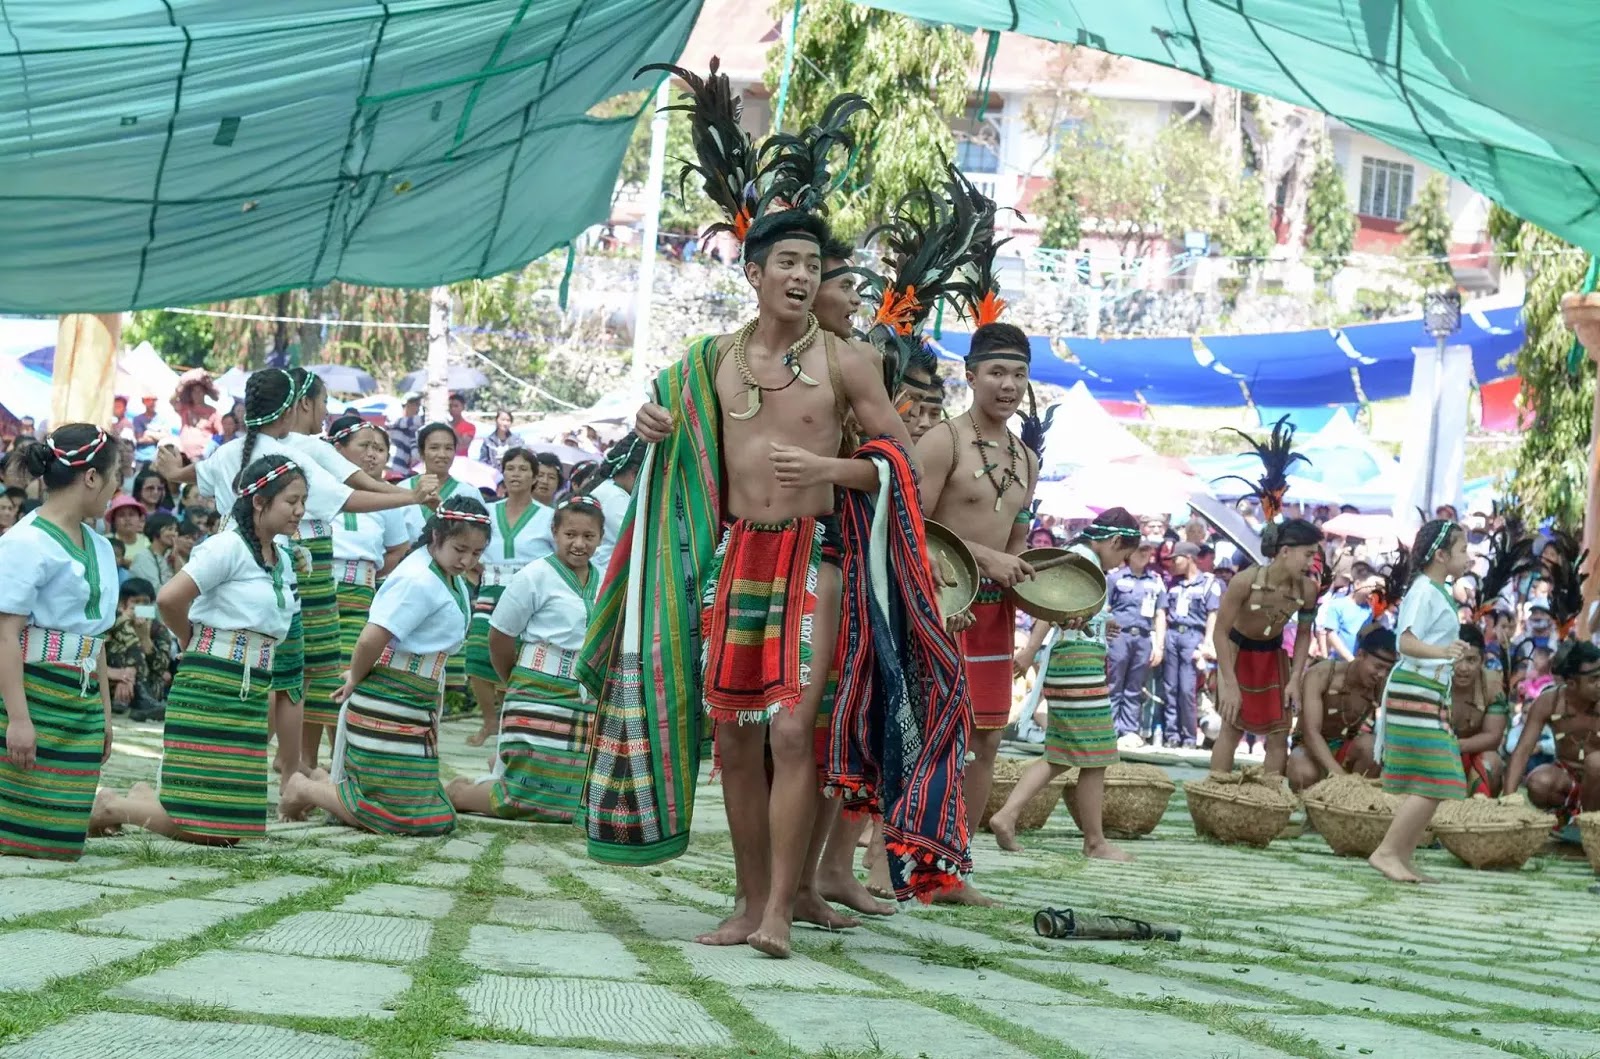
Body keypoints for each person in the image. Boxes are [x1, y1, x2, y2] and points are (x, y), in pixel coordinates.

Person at [584, 62, 905, 958]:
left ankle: (778, 912)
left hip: (818, 558)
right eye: (789, 263)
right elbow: (669, 447)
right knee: (731, 738)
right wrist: (651, 423)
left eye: (814, 265)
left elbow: (898, 467)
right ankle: (747, 898)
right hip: (737, 557)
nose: (803, 277)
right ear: (755, 273)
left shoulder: (848, 362)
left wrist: (837, 466)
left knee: (794, 729)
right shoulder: (707, 364)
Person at [157, 368, 430, 780]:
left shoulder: (237, 450)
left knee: (265, 666)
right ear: (294, 407)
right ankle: (287, 769)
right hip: (273, 563)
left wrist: (172, 472)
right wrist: (409, 495)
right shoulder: (292, 455)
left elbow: (199, 476)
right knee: (287, 672)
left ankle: (277, 766)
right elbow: (348, 494)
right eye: (319, 403)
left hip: (249, 560)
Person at [90, 455, 305, 845]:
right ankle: (112, 808)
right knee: (207, 828)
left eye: (303, 501)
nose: (300, 510)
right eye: (291, 501)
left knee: (230, 829)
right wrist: (192, 642)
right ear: (260, 501)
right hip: (211, 683)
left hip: (251, 688)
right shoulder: (227, 547)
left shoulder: (283, 558)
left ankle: (140, 800)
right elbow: (170, 599)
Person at [278, 495, 489, 835]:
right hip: (388, 700)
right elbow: (369, 639)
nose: (466, 560)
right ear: (436, 538)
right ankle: (305, 788)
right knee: (404, 817)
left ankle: (318, 780)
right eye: (460, 549)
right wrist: (355, 678)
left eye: (476, 553)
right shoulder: (418, 578)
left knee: (436, 816)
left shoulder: (445, 575)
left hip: (414, 701)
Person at [917, 320, 1040, 907]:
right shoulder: (943, 441)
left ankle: (950, 870)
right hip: (938, 606)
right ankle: (877, 857)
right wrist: (979, 559)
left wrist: (1047, 603)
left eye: (1018, 374)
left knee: (985, 744)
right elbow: (906, 526)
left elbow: (1014, 553)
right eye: (996, 371)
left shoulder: (1026, 458)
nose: (1008, 384)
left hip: (993, 619)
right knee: (921, 736)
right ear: (970, 374)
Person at [989, 509, 1142, 860]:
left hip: (1074, 660)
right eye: (1123, 555)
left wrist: (1105, 622)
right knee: (1095, 754)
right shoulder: (1084, 560)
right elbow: (1050, 608)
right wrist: (1028, 651)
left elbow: (1071, 613)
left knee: (1063, 753)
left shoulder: (1080, 557)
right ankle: (1094, 841)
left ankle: (1007, 815)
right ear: (1116, 541)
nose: (1121, 563)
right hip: (1078, 665)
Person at [0, 426, 120, 860]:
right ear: (91, 477)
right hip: (35, 698)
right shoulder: (24, 543)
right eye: (115, 475)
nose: (116, 486)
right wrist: (18, 721)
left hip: (82, 705)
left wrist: (105, 715)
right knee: (25, 840)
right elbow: (5, 635)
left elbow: (97, 638)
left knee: (63, 843)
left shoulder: (102, 547)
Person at [448, 497, 602, 821]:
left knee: (568, 807)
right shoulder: (534, 575)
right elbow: (499, 636)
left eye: (589, 537)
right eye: (570, 534)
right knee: (521, 802)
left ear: (600, 538)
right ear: (554, 532)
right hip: (535, 696)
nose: (579, 544)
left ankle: (501, 766)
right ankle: (459, 792)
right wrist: (516, 684)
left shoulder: (606, 581)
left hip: (581, 701)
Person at [1367, 519, 1473, 883]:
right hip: (1414, 688)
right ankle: (1387, 851)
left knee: (1434, 777)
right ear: (1441, 555)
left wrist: (1448, 653)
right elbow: (1406, 643)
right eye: (1462, 551)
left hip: (1427, 690)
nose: (1467, 557)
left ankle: (1401, 855)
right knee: (1436, 776)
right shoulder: (1424, 590)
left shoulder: (1437, 590)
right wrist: (1443, 651)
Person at [313, 417, 413, 771]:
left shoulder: (388, 497)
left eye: (379, 448)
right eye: (363, 445)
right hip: (319, 589)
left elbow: (397, 548)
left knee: (349, 672)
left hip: (361, 597)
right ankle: (302, 762)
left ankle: (337, 757)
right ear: (338, 450)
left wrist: (366, 575)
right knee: (316, 673)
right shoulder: (316, 487)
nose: (372, 455)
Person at [1210, 518, 1322, 778]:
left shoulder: (1307, 589)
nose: (1311, 563)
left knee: (1279, 733)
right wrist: (1230, 683)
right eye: (1307, 555)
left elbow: (1305, 634)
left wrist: (1295, 678)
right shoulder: (1244, 581)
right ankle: (1213, 794)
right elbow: (1220, 632)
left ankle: (1271, 799)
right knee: (1231, 726)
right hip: (1237, 654)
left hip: (1273, 657)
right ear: (1285, 551)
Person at [465, 447, 553, 747]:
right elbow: (473, 547)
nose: (516, 474)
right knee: (477, 650)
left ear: (534, 476)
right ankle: (489, 719)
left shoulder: (548, 517)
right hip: (491, 587)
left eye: (523, 469)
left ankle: (509, 719)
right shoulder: (488, 512)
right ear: (503, 473)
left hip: (529, 592)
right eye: (511, 468)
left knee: (517, 654)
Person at [1286, 627, 1397, 791]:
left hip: (1346, 748)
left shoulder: (1381, 686)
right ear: (1360, 655)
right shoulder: (1322, 674)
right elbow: (1311, 733)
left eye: (1388, 669)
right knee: (1304, 773)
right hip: (1308, 747)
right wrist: (1340, 777)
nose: (1382, 674)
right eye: (1378, 666)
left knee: (1373, 748)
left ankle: (1353, 800)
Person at [1503, 641, 1600, 826]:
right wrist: (1507, 801)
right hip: (1568, 776)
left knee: (1596, 763)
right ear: (1571, 683)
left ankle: (1589, 826)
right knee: (1539, 783)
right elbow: (1523, 751)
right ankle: (1569, 818)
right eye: (1593, 679)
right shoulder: (1548, 702)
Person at [1102, 537, 1167, 746]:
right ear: (1130, 553)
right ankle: (1109, 729)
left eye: (1147, 551)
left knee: (1135, 685)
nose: (1144, 554)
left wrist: (1159, 645)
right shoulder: (1114, 578)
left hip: (1143, 637)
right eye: (1140, 550)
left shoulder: (1155, 581)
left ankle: (1129, 730)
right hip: (1119, 636)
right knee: (1114, 682)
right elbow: (1105, 608)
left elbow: (1160, 614)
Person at [1160, 542, 1219, 748]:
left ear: (1189, 558)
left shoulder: (1209, 584)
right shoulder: (1173, 584)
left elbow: (1213, 614)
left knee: (1187, 688)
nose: (1173, 563)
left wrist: (1208, 642)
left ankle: (1189, 736)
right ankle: (1172, 734)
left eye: (1177, 558)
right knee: (1170, 687)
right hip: (1173, 634)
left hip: (1193, 636)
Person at [1449, 624, 1509, 797]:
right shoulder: (1434, 678)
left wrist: (1456, 746)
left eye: (1471, 660)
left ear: (1482, 660)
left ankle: (1479, 814)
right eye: (1457, 658)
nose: (1463, 668)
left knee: (1492, 762)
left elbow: (1493, 737)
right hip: (1436, 754)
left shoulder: (1491, 684)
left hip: (1472, 754)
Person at [105, 577, 174, 723]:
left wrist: (145, 639)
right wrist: (121, 676)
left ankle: (141, 701)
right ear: (123, 604)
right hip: (111, 680)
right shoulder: (109, 623)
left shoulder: (158, 629)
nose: (140, 607)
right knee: (119, 647)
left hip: (149, 689)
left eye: (146, 603)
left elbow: (161, 669)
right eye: (136, 602)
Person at [580, 434, 644, 574]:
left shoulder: (608, 489)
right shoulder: (615, 497)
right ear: (635, 473)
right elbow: (639, 541)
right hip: (605, 573)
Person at [1316, 576, 1378, 662]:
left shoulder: (1369, 611)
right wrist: (1350, 658)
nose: (1372, 592)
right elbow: (1331, 634)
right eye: (1370, 587)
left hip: (1358, 663)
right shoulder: (1338, 604)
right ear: (1357, 584)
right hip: (1338, 662)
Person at [128, 512, 180, 589]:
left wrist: (176, 558)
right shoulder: (143, 557)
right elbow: (156, 591)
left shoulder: (170, 557)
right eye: (170, 529)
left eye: (176, 530)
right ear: (156, 530)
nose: (174, 534)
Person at [389, 393, 424, 477]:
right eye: (416, 404)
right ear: (407, 404)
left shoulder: (413, 428)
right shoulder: (394, 420)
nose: (418, 409)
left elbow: (415, 453)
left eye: (419, 405)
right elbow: (418, 420)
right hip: (390, 467)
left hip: (403, 472)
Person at [107, 495, 149, 564]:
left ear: (140, 519)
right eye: (121, 515)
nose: (127, 519)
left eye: (131, 514)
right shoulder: (106, 541)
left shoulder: (146, 542)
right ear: (114, 520)